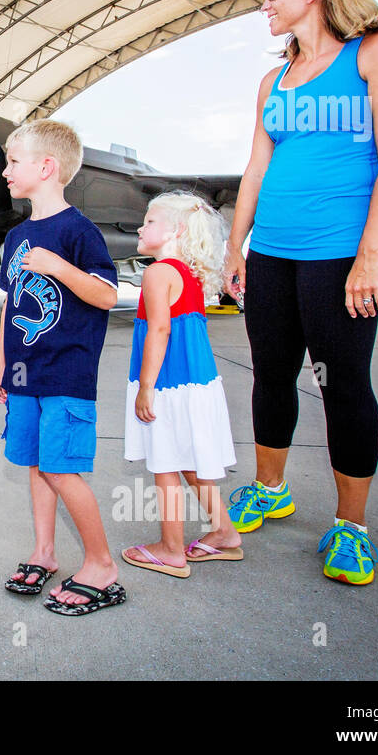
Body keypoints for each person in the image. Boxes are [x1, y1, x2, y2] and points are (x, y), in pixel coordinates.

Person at [222, 0, 378, 585]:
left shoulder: (377, 55)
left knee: (344, 384)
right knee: (271, 374)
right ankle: (272, 487)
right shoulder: (272, 81)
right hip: (272, 252)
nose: (265, 5)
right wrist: (235, 246)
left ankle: (351, 527)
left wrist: (370, 256)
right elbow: (256, 167)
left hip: (341, 251)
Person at [0, 119, 125, 616]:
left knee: (61, 469)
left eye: (14, 161)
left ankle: (101, 565)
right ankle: (44, 552)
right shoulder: (16, 237)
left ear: (46, 167)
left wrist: (60, 268)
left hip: (67, 373)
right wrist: (3, 362)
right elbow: (11, 303)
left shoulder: (78, 231)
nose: (5, 171)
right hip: (25, 373)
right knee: (33, 462)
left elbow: (107, 294)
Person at [121, 193, 241, 577]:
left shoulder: (157, 273)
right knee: (190, 461)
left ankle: (171, 549)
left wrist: (146, 387)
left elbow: (159, 329)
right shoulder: (187, 274)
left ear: (177, 230)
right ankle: (224, 532)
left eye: (150, 221)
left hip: (168, 384)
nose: (141, 227)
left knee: (165, 464)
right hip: (198, 384)